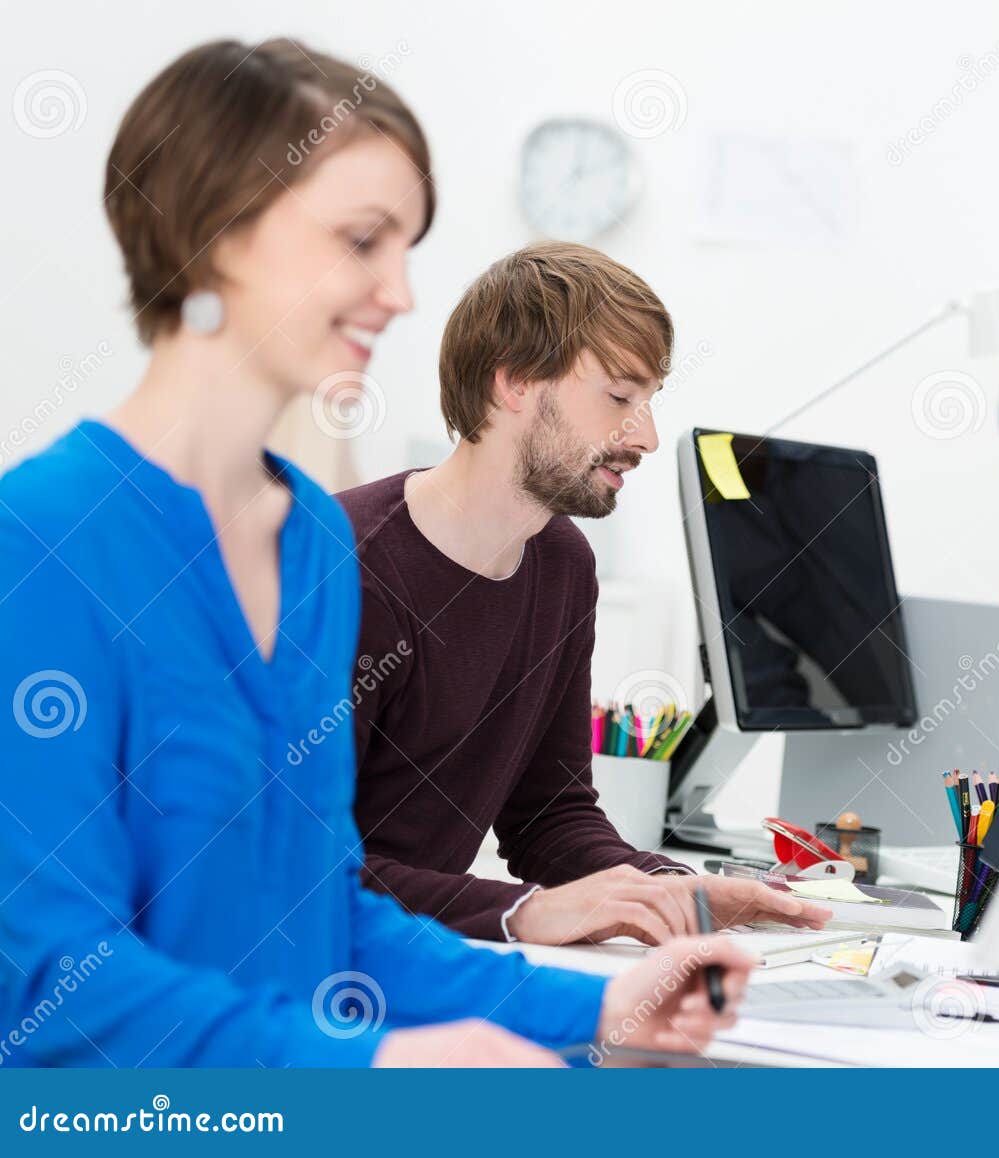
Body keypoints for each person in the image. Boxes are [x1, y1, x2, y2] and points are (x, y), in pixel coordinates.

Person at [0, 38, 751, 1068]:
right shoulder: (46, 537)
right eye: (363, 241)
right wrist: (371, 1065)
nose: (399, 294)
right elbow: (50, 986)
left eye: (406, 248)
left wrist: (600, 1007)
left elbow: (325, 921)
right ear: (216, 235)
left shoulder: (305, 540)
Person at [340, 242, 830, 945]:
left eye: (650, 402)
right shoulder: (341, 565)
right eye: (621, 397)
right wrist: (523, 911)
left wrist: (667, 892)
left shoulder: (561, 564)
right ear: (513, 385)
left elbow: (549, 815)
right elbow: (289, 870)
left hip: (408, 961)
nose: (649, 436)